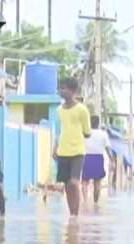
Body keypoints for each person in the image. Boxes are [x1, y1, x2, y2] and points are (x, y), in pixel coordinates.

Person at [54, 77, 90, 217]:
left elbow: (87, 132)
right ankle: (72, 215)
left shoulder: (82, 110)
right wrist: (55, 148)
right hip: (62, 151)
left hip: (77, 152)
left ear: (73, 91)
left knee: (74, 183)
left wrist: (77, 133)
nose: (61, 91)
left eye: (64, 88)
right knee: (67, 185)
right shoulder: (58, 110)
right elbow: (58, 131)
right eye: (60, 88)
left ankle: (76, 212)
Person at [83, 116, 110, 205]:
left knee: (84, 181)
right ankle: (95, 202)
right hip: (98, 158)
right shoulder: (103, 134)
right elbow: (107, 148)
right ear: (98, 123)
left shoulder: (84, 133)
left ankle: (85, 201)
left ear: (89, 123)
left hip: (86, 158)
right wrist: (112, 159)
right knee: (97, 182)